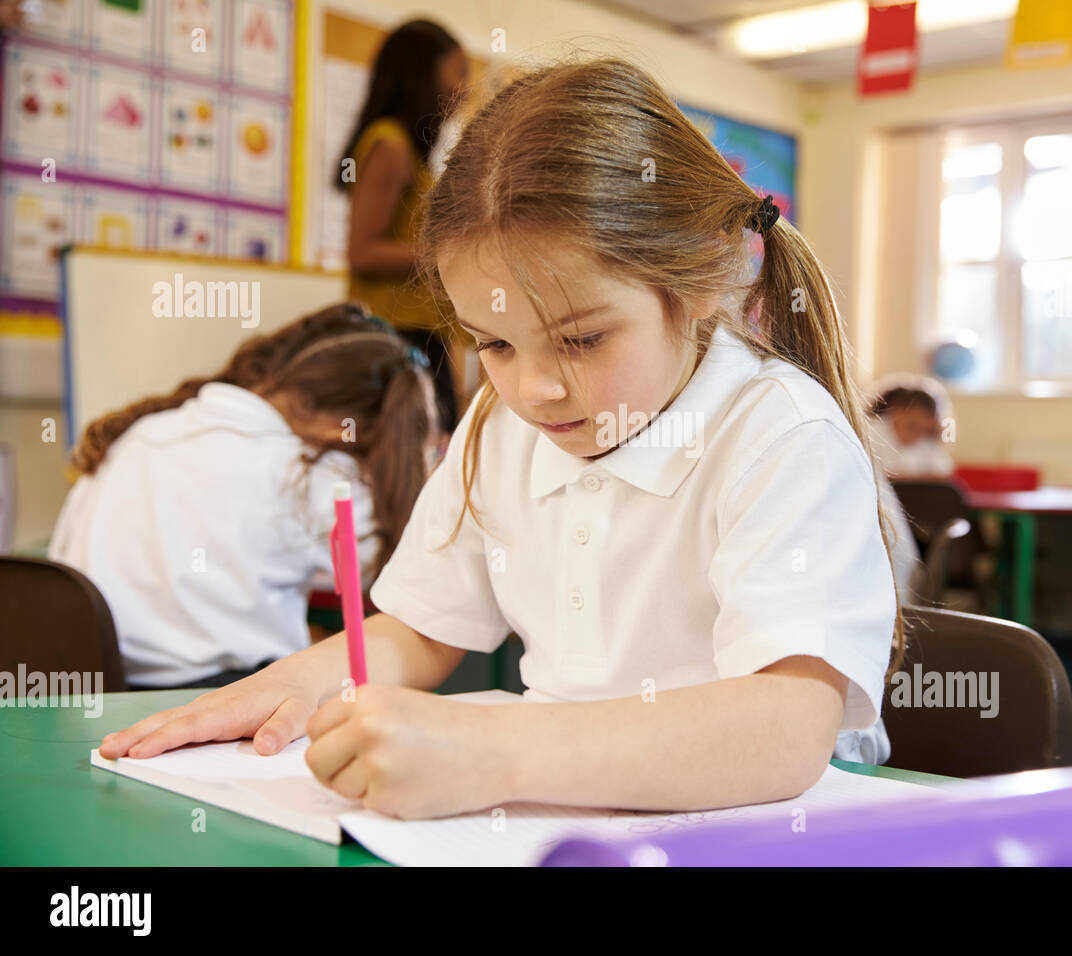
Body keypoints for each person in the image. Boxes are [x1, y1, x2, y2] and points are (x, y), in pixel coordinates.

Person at [101, 58, 905, 819]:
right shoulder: (498, 426)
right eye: (494, 343)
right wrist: (296, 685)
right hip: (560, 825)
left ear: (700, 278)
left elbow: (789, 726)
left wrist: (500, 752)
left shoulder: (778, 436)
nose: (534, 389)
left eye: (582, 340)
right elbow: (422, 628)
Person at [51, 304, 440, 689]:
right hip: (225, 703)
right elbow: (401, 570)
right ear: (346, 429)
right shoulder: (307, 470)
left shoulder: (138, 433)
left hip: (95, 693)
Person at [338, 18, 469, 431]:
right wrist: (450, 254)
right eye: (459, 72)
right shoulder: (390, 144)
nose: (466, 88)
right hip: (396, 335)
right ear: (423, 73)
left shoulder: (410, 150)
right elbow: (363, 251)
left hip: (419, 332)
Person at [867, 385, 954, 479]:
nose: (916, 435)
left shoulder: (927, 443)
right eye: (912, 426)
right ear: (897, 412)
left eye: (923, 430)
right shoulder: (871, 433)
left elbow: (944, 471)